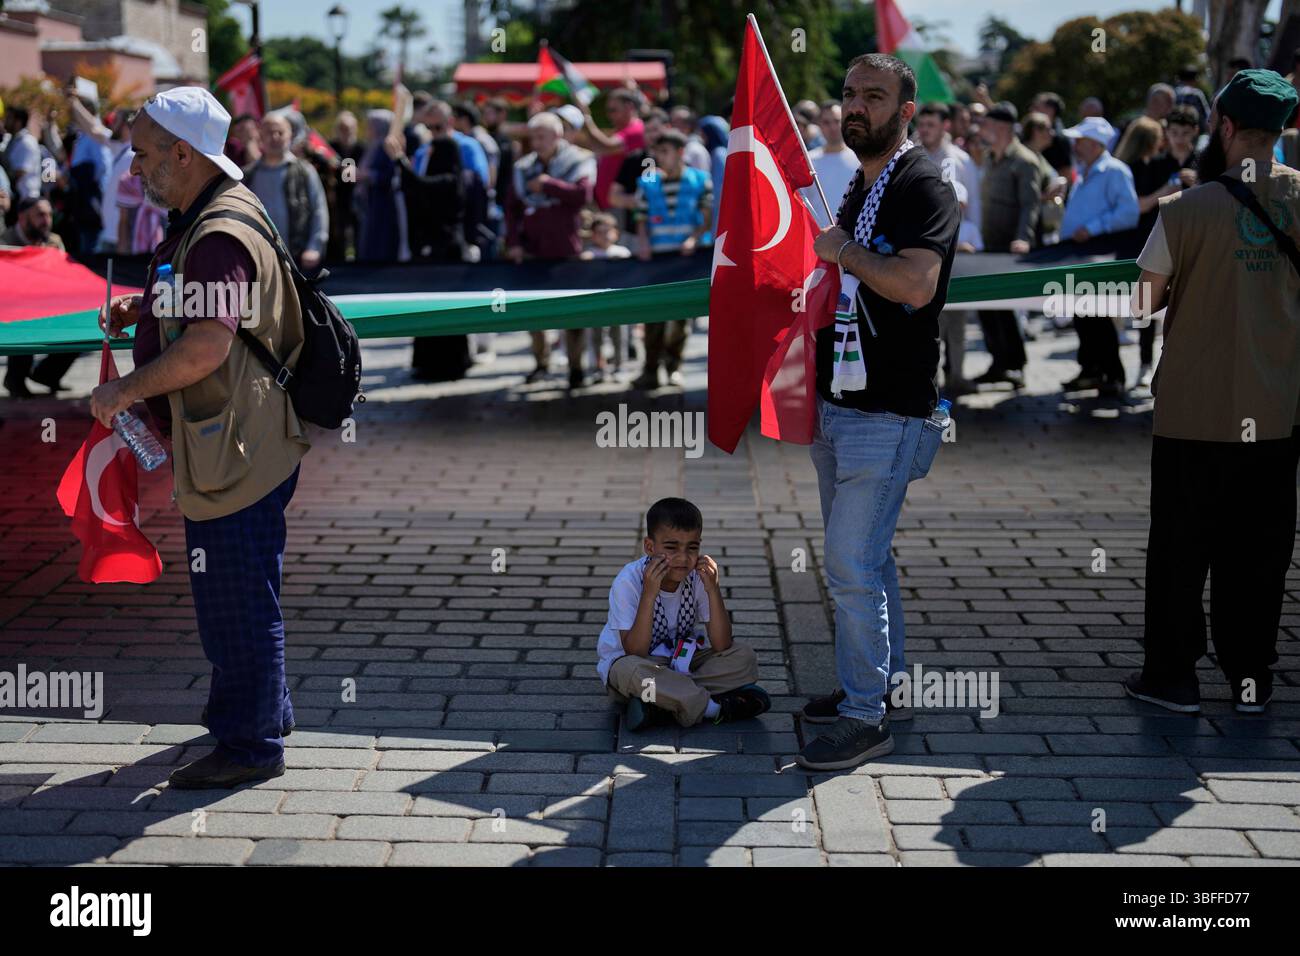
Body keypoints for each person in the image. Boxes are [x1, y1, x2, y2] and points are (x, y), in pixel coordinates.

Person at [89, 87, 310, 788]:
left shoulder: (215, 233)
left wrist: (124, 390)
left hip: (233, 445)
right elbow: (212, 310)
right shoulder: (216, 214)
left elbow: (207, 347)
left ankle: (249, 747)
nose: (133, 168)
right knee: (246, 589)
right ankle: (263, 715)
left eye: (142, 153)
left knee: (234, 602)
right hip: (239, 437)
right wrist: (149, 306)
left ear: (183, 153)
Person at [798, 53, 959, 770]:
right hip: (841, 404)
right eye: (848, 94)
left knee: (850, 564)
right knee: (868, 559)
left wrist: (844, 251)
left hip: (888, 413)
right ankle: (879, 685)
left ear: (906, 110)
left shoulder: (923, 183)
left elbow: (916, 285)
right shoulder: (863, 183)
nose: (855, 106)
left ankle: (866, 716)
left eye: (874, 95)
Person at [1124, 70, 1300, 716]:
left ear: (1224, 126)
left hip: (1192, 411)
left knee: (1180, 546)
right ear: (1280, 130)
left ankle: (1172, 678)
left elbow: (1141, 302)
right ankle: (1250, 677)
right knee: (1261, 550)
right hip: (1277, 407)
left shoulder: (1185, 209)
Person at [597, 497, 771, 730]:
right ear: (650, 547)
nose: (683, 557)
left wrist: (713, 589)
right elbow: (635, 651)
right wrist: (649, 594)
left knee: (744, 656)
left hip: (682, 662)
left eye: (692, 547)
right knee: (630, 671)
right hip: (637, 664)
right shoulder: (628, 580)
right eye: (671, 548)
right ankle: (713, 708)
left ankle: (664, 702)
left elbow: (722, 644)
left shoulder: (697, 576)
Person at [505, 112, 596, 389]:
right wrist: (514, 243)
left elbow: (582, 195)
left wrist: (547, 184)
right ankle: (541, 363)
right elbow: (512, 208)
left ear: (557, 135)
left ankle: (576, 367)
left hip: (568, 248)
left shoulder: (579, 160)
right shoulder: (523, 167)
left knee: (573, 313)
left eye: (542, 136)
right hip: (534, 249)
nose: (536, 142)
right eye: (533, 136)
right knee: (534, 312)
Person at [1057, 116, 1138, 395]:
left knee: (1098, 316)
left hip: (1099, 253)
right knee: (1083, 315)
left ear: (1094, 144)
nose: (1076, 146)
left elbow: (1128, 212)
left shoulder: (1115, 171)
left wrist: (1092, 228)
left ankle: (1112, 374)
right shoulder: (1087, 170)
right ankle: (1092, 370)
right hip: (1082, 254)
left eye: (1081, 141)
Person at [1121, 108, 1199, 387]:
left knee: (1190, 305)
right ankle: (1145, 363)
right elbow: (1139, 205)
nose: (1179, 139)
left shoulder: (1204, 163)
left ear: (1195, 133)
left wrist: (1199, 184)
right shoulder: (1152, 164)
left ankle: (1185, 368)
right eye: (1174, 133)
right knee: (1147, 302)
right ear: (1166, 132)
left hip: (1193, 242)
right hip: (1157, 241)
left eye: (1185, 133)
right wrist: (1166, 191)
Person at [632, 129, 712, 391]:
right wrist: (643, 242)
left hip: (686, 259)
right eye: (657, 152)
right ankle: (650, 369)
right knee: (652, 315)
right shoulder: (648, 181)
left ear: (680, 153)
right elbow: (640, 216)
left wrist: (694, 238)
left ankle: (674, 367)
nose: (659, 157)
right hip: (657, 257)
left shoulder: (700, 179)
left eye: (665, 152)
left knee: (680, 318)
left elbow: (707, 217)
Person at [975, 102, 1041, 387]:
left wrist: (1023, 238)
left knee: (1006, 306)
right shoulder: (990, 157)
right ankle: (998, 362)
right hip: (987, 243)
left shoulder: (1025, 161)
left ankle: (1016, 365)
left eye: (987, 125)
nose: (982, 130)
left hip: (1009, 246)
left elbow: (1030, 205)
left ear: (1001, 127)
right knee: (985, 305)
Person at [2, 197, 77, 398]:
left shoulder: (53, 242)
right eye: (40, 215)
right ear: (22, 218)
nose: (47, 221)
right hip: (13, 309)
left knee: (80, 323)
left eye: (49, 215)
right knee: (24, 322)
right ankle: (15, 379)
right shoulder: (5, 242)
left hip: (49, 305)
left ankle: (47, 375)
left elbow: (65, 278)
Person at [243, 113, 329, 272]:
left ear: (290, 135)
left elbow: (319, 209)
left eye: (280, 132)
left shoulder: (305, 171)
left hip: (297, 259)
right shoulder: (248, 175)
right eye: (269, 132)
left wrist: (315, 247)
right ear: (260, 136)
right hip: (258, 259)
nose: (275, 137)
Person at [914, 102, 981, 248]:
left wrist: (974, 233)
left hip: (957, 239)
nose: (924, 130)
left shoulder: (963, 161)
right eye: (921, 124)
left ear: (945, 126)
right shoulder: (909, 159)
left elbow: (973, 203)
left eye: (930, 125)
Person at [579, 88, 645, 210]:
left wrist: (586, 118)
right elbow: (598, 147)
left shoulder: (635, 129)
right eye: (608, 111)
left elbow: (606, 146)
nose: (609, 115)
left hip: (619, 206)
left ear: (629, 107)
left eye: (613, 110)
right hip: (608, 206)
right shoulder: (622, 129)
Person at [803, 102, 862, 228]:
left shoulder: (861, 159)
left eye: (837, 121)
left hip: (852, 235)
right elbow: (802, 203)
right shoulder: (808, 160)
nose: (833, 127)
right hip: (818, 235)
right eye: (826, 122)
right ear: (819, 125)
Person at [326, 111, 364, 263]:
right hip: (337, 198)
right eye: (342, 128)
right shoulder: (331, 148)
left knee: (359, 231)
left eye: (349, 128)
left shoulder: (361, 148)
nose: (346, 132)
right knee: (339, 232)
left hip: (358, 198)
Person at [2, 106, 41, 201]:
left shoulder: (26, 142)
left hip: (26, 199)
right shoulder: (13, 140)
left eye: (9, 118)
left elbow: (20, 172)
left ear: (18, 122)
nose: (5, 121)